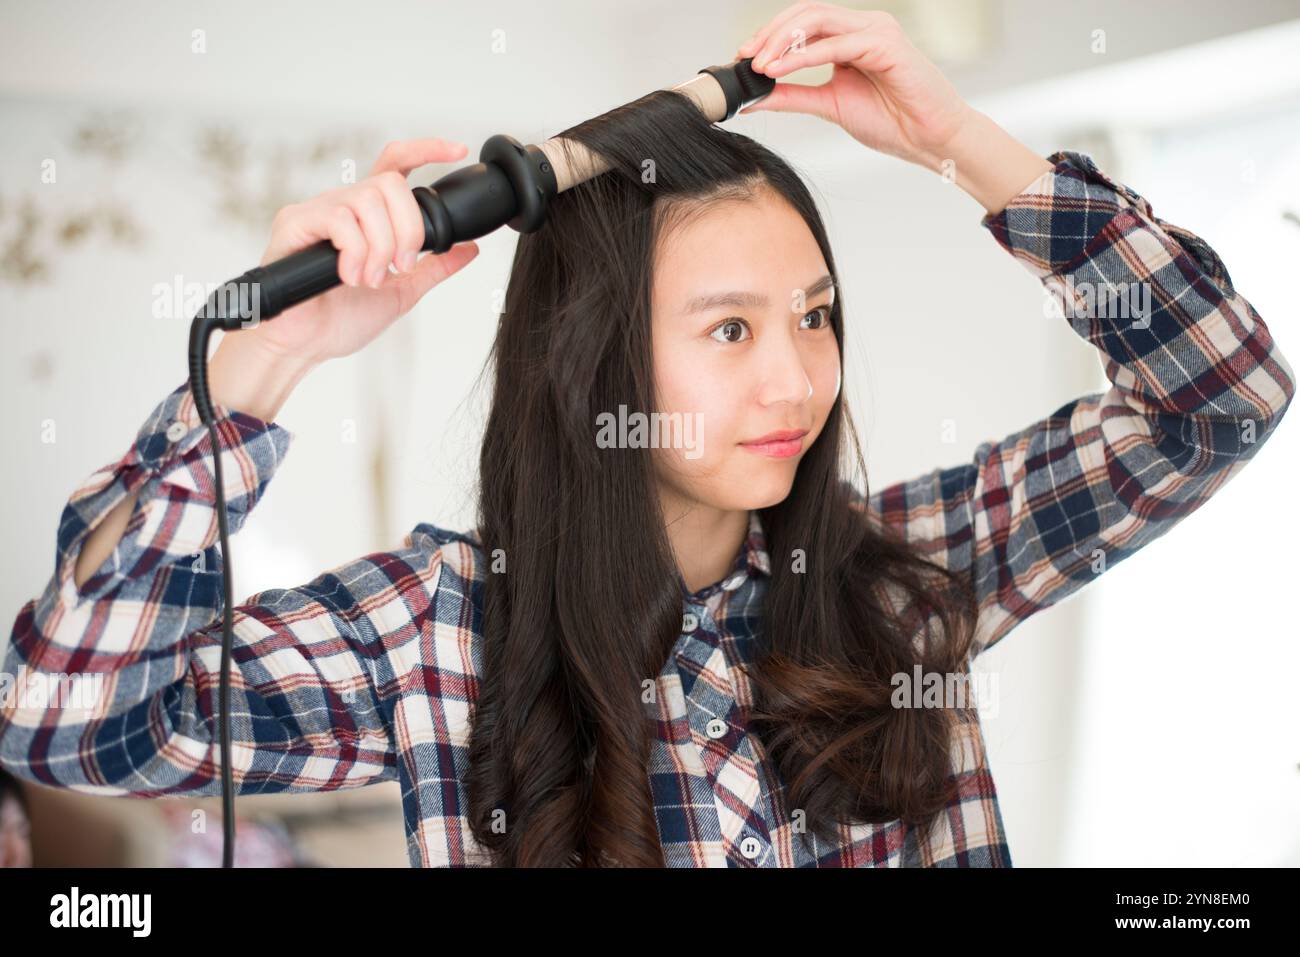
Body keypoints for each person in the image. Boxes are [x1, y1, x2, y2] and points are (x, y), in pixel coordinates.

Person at [0, 4, 1293, 867]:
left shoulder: (906, 571)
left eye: (815, 313)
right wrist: (271, 357)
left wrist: (961, 145)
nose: (797, 376)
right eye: (729, 329)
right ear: (591, 359)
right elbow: (69, 723)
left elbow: (1219, 391)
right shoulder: (437, 632)